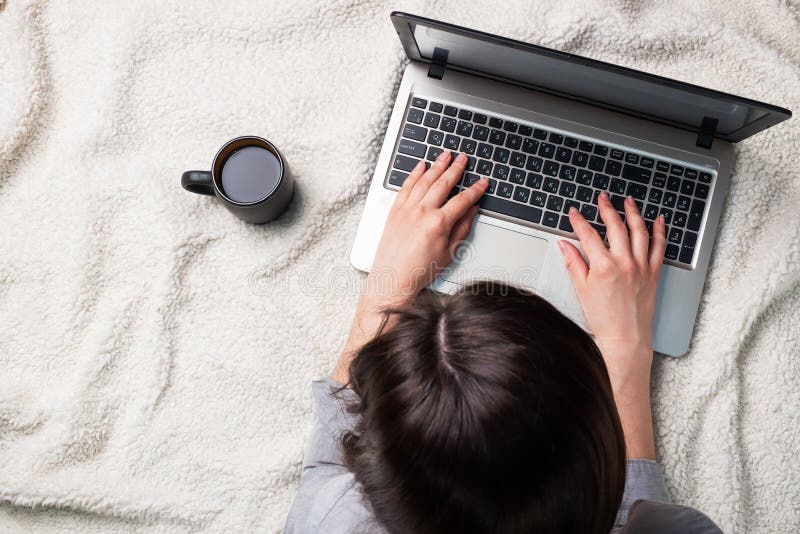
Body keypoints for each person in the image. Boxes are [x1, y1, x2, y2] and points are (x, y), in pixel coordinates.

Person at [284, 151, 722, 533]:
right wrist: (625, 347)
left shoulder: (332, 520)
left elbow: (324, 474)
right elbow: (639, 512)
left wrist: (385, 291)